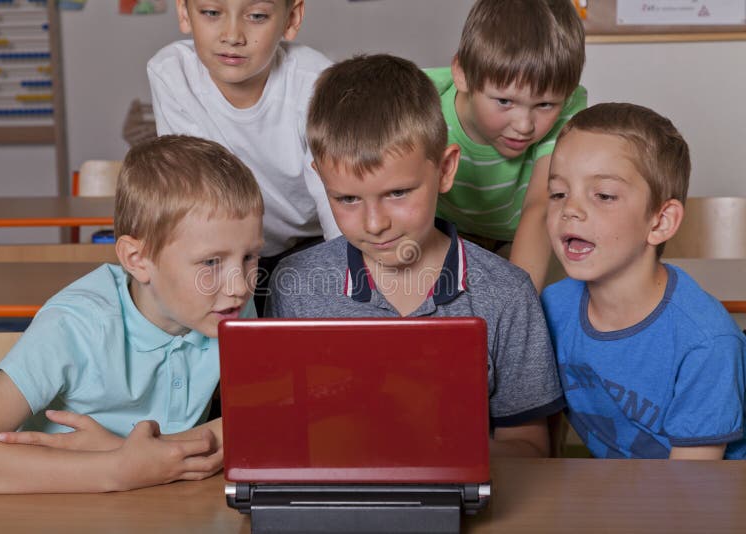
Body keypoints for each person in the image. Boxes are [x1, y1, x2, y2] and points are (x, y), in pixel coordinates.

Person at [266, 54, 565, 457]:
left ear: (445, 170)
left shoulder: (507, 293)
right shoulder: (297, 286)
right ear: (321, 179)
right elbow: (279, 429)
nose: (374, 224)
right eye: (348, 198)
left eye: (397, 193)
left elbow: (526, 441)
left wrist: (440, 462)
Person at [0, 135, 265, 492]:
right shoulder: (75, 325)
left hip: (164, 508)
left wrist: (134, 453)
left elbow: (267, 415)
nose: (240, 284)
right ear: (137, 260)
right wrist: (118, 467)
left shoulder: (229, 309)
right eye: (211, 262)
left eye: (250, 256)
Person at [541, 103, 746, 459]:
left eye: (603, 195)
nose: (569, 209)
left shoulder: (706, 342)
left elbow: (695, 491)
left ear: (660, 222)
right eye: (558, 193)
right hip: (625, 495)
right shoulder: (550, 309)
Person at [147, 0, 339, 312]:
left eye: (257, 16)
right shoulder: (172, 73)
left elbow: (334, 199)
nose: (233, 35)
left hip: (312, 243)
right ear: (184, 12)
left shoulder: (316, 82)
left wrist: (346, 278)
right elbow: (192, 191)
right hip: (229, 246)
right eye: (211, 13)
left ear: (291, 18)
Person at [426, 0, 587, 292]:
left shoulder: (568, 109)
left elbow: (539, 206)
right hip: (441, 234)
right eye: (504, 101)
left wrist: (518, 311)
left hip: (521, 239)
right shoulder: (423, 100)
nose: (524, 125)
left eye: (545, 104)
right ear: (462, 73)